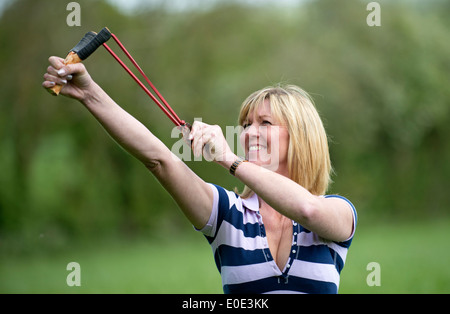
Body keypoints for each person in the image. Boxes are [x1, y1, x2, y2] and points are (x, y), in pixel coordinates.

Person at [42, 56, 357, 294]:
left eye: (265, 124)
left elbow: (308, 209)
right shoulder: (227, 214)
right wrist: (89, 95)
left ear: (300, 137)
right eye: (245, 125)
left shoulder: (339, 211)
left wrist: (228, 159)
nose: (249, 133)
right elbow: (159, 160)